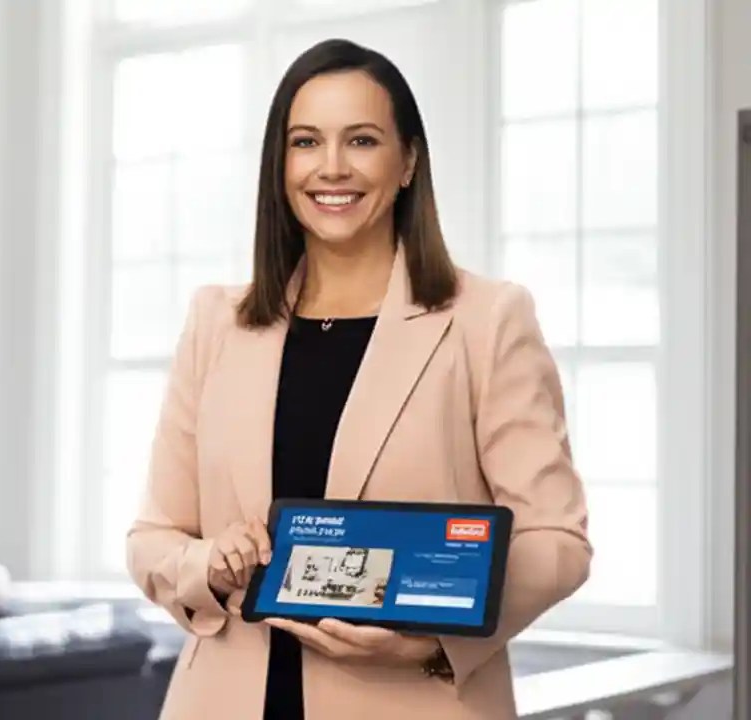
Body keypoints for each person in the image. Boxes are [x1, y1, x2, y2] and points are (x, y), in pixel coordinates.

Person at [125, 38, 591, 719]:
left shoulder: (487, 319)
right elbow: (153, 538)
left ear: (408, 162)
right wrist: (209, 564)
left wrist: (432, 641)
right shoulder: (215, 322)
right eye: (306, 142)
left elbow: (557, 542)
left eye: (362, 140)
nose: (332, 167)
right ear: (281, 164)